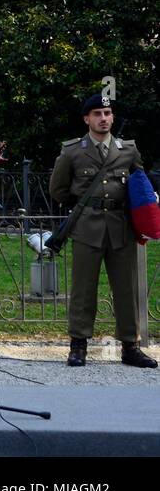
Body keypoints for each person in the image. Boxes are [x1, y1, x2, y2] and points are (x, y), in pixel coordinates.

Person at [50, 94, 156, 368]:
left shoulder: (128, 150)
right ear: (87, 119)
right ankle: (78, 345)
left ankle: (130, 347)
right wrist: (85, 206)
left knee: (126, 289)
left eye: (107, 113)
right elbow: (58, 190)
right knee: (83, 290)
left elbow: (140, 185)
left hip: (121, 228)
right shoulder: (73, 151)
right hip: (87, 227)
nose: (103, 118)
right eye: (97, 113)